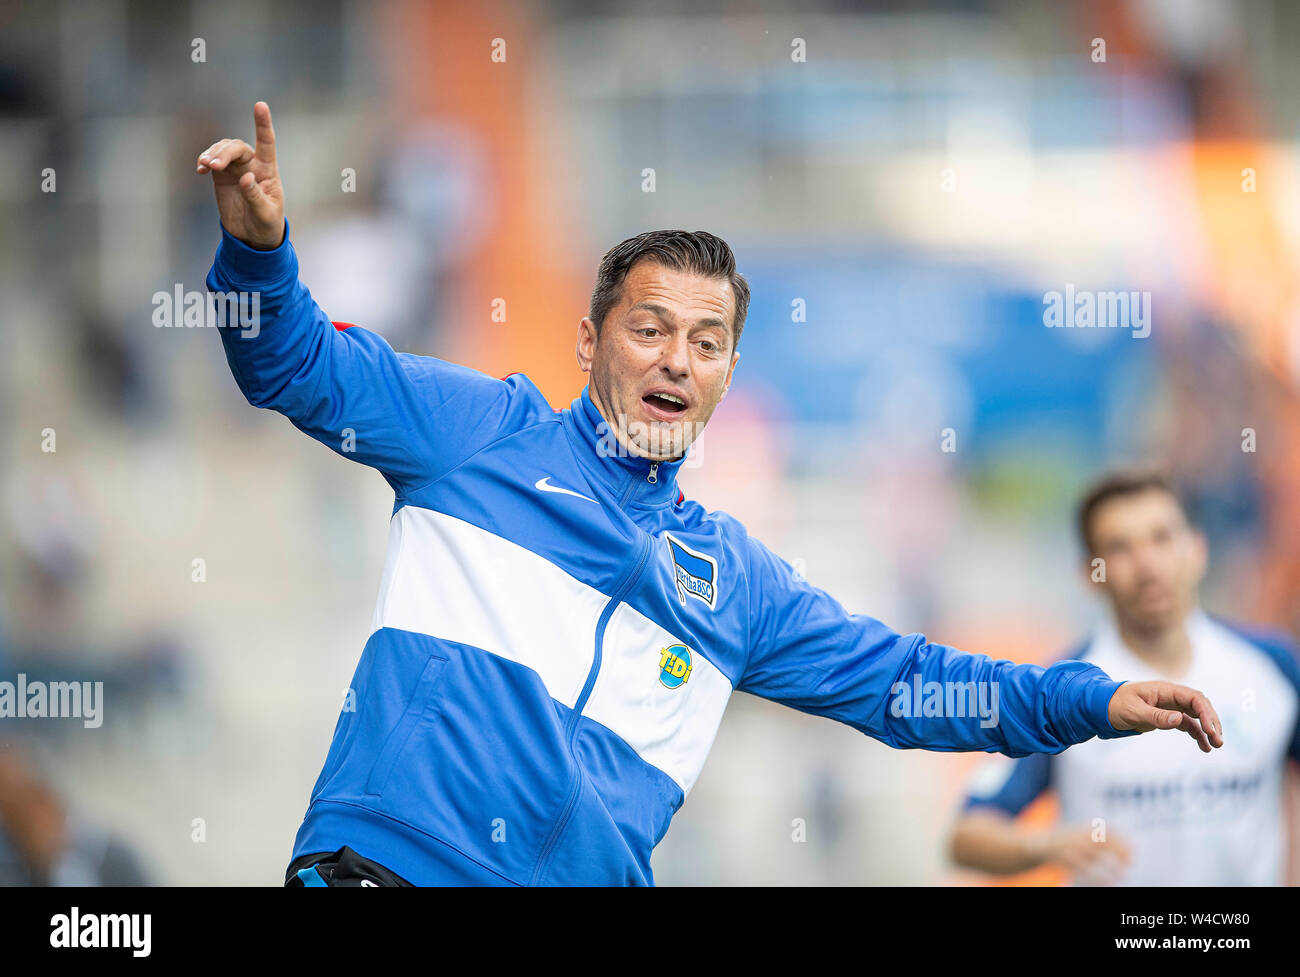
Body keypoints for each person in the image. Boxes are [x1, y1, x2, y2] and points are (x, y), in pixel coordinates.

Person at [197, 103, 1224, 886]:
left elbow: (910, 688)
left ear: (730, 373)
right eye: (649, 329)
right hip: (389, 866)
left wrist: (1087, 701)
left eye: (707, 341)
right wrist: (257, 254)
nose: (676, 360)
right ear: (589, 338)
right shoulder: (481, 431)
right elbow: (293, 368)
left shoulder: (740, 581)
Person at [949, 471, 1300, 885]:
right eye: (1120, 548)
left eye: (1162, 538)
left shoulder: (1273, 668)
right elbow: (966, 837)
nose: (1147, 565)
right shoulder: (1063, 692)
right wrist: (1044, 847)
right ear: (1089, 574)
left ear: (1198, 549)